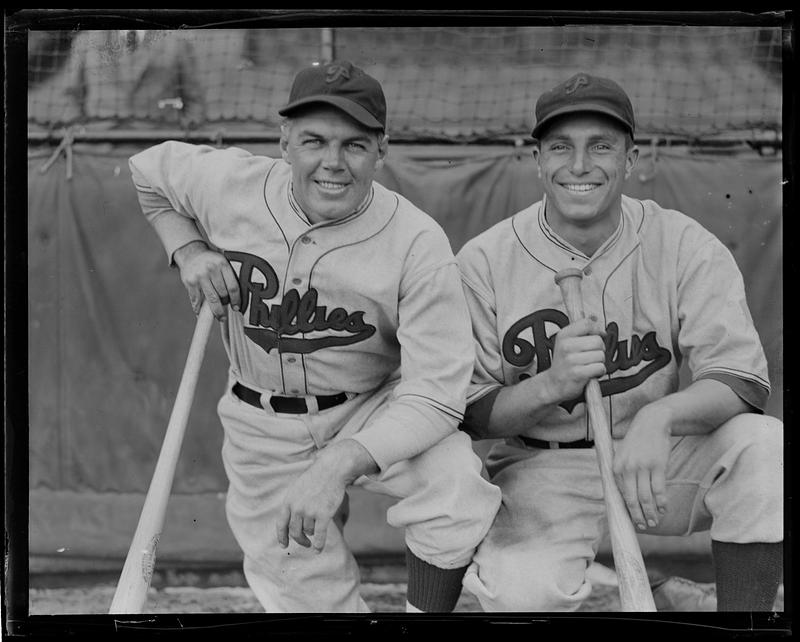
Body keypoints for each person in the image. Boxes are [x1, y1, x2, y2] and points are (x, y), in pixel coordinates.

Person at [128, 60, 501, 613]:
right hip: (263, 426)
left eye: (354, 145)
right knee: (309, 602)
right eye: (313, 141)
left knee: (457, 488)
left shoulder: (418, 241)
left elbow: (436, 396)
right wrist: (187, 249)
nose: (332, 162)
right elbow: (147, 171)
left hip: (371, 407)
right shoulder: (230, 185)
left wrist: (339, 461)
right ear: (284, 142)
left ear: (383, 149)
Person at [456, 72, 783, 612]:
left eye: (601, 146)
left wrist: (662, 418)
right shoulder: (486, 261)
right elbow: (471, 414)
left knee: (763, 446)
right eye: (561, 147)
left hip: (659, 459)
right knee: (522, 594)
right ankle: (623, 593)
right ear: (537, 160)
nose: (580, 165)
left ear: (630, 159)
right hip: (544, 468)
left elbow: (742, 381)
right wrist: (551, 385)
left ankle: (742, 621)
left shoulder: (682, 243)